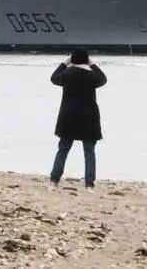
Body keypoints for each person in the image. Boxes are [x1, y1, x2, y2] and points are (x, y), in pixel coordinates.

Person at [49, 48, 106, 188]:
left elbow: (53, 78)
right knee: (89, 151)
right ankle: (89, 182)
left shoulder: (66, 75)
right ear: (86, 60)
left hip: (68, 116)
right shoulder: (92, 76)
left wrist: (64, 63)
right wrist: (92, 64)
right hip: (89, 116)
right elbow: (103, 79)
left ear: (72, 59)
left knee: (63, 148)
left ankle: (54, 179)